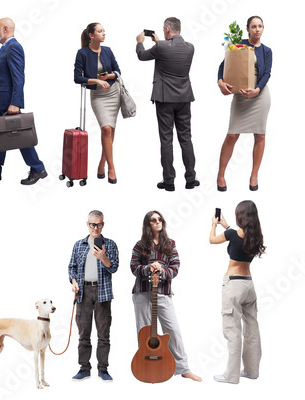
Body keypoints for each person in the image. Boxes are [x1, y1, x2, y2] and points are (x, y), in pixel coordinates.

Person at [129, 211, 202, 382]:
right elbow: (133, 267)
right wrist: (148, 268)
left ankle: (183, 368)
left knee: (173, 331)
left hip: (163, 293)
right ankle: (146, 367)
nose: (157, 222)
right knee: (144, 332)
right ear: (148, 224)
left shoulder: (170, 244)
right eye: (153, 220)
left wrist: (161, 270)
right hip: (142, 293)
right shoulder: (139, 245)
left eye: (159, 219)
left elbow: (175, 267)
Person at [0, 18, 48, 186]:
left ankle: (38, 168)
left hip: (9, 102)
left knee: (20, 136)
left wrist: (16, 102)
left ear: (5, 29)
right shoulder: (5, 48)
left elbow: (19, 77)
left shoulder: (13, 47)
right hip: (2, 101)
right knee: (0, 134)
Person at [136, 18, 198, 192]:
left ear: (167, 29)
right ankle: (191, 179)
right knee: (186, 138)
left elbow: (142, 56)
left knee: (166, 140)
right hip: (184, 98)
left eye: (164, 31)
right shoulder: (190, 47)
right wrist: (160, 42)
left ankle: (169, 181)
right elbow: (167, 50)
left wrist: (140, 42)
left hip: (165, 99)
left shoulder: (161, 47)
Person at [209, 201, 264, 383]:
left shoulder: (232, 235)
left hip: (233, 285)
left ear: (240, 215)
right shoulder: (255, 236)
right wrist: (226, 225)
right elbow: (239, 238)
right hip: (249, 285)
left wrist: (213, 225)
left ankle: (231, 376)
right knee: (252, 330)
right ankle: (251, 371)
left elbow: (212, 240)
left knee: (232, 330)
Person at [216, 16, 271, 192]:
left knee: (260, 136)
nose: (257, 29)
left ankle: (254, 175)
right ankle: (221, 174)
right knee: (232, 135)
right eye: (253, 26)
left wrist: (257, 89)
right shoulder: (237, 44)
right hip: (240, 94)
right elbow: (223, 66)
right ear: (247, 29)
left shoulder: (267, 51)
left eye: (260, 26)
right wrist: (220, 82)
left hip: (260, 96)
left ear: (263, 28)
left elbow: (267, 73)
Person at [67, 210, 119, 382]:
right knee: (83, 333)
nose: (95, 227)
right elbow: (71, 267)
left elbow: (114, 267)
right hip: (83, 292)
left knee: (104, 333)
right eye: (92, 224)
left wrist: (104, 258)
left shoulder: (109, 244)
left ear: (103, 224)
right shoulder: (78, 245)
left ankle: (103, 369)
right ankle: (84, 368)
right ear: (87, 224)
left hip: (103, 293)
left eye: (99, 224)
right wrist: (74, 282)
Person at [74, 23, 124, 184]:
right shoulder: (82, 53)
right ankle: (112, 167)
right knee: (106, 128)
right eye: (100, 31)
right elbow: (76, 77)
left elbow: (118, 71)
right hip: (98, 95)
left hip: (113, 92)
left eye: (104, 31)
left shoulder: (108, 50)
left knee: (110, 131)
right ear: (91, 35)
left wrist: (108, 77)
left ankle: (102, 163)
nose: (104, 33)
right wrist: (95, 80)